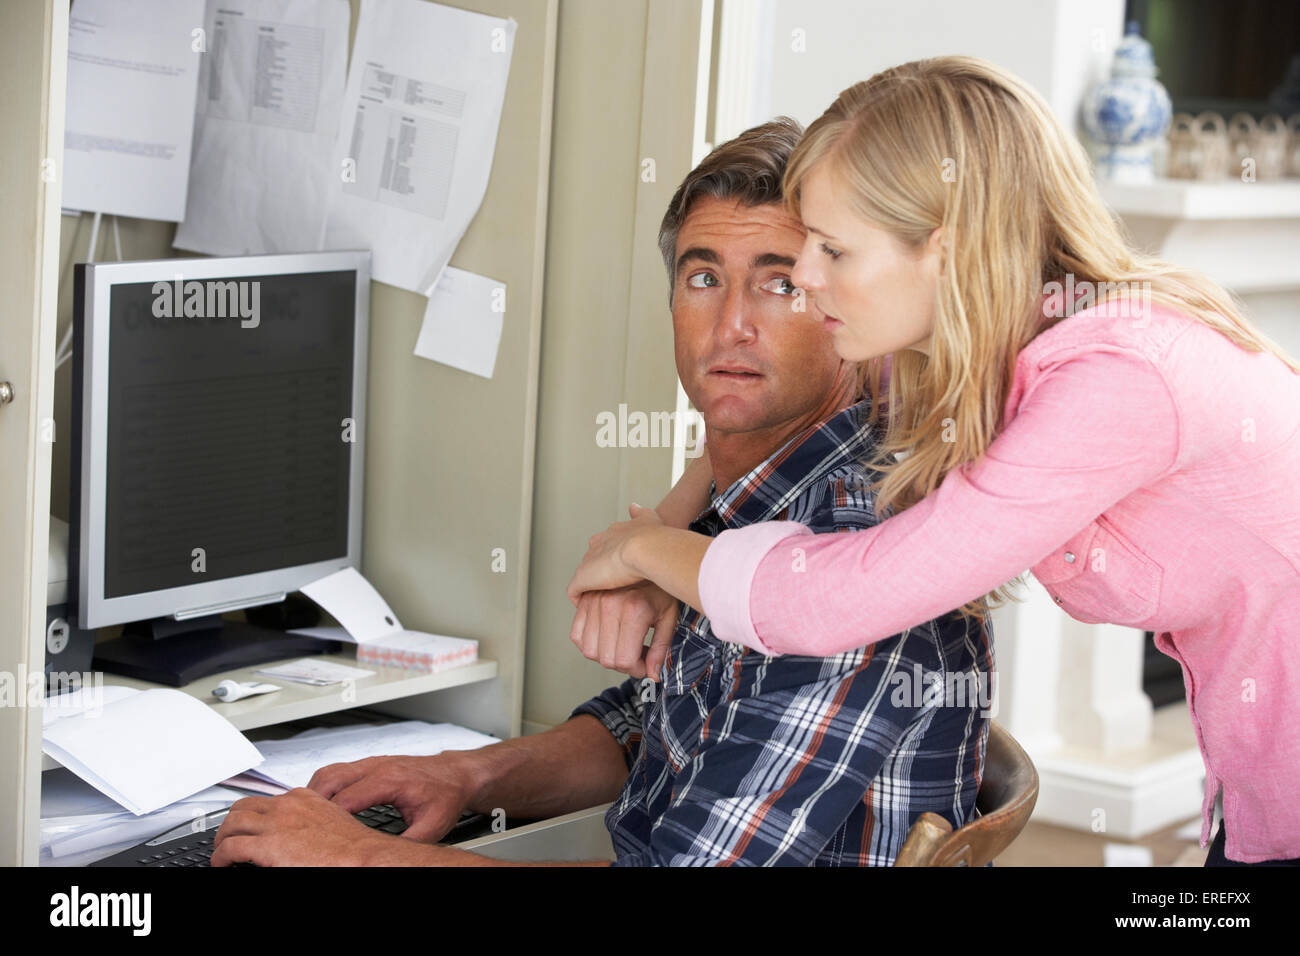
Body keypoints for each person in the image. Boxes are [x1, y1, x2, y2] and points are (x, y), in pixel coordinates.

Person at [565, 56, 1300, 867]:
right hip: (1254, 787)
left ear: (943, 250)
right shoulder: (964, 339)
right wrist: (664, 534)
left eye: (832, 251)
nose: (806, 280)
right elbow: (751, 426)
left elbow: (833, 603)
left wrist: (635, 550)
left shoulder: (1117, 382)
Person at [211, 118, 992, 867]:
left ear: (838, 303)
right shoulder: (746, 501)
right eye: (703, 276)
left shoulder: (844, 565)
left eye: (778, 285)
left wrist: (356, 856)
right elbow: (655, 725)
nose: (730, 325)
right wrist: (466, 774)